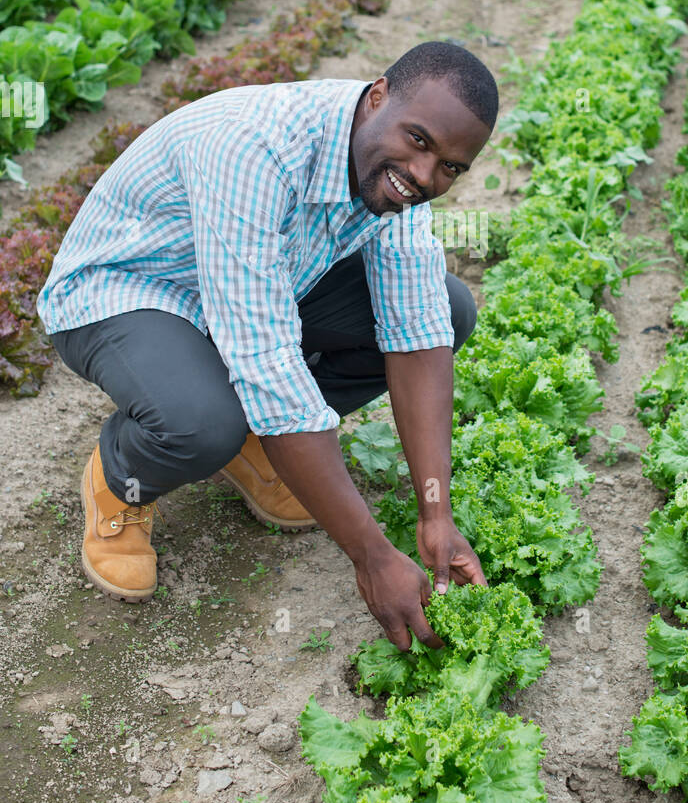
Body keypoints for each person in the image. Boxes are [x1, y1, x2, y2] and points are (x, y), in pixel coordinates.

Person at [36, 40, 498, 652]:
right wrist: (371, 556)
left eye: (450, 167)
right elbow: (267, 364)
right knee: (201, 421)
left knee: (448, 308)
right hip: (130, 288)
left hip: (259, 282)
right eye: (418, 140)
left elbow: (416, 335)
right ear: (379, 95)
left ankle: (257, 445)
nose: (422, 175)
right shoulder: (256, 148)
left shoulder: (395, 181)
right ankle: (122, 480)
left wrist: (435, 514)